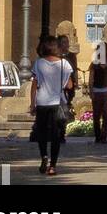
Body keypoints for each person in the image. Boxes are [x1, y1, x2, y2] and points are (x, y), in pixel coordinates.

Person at [30, 36, 73, 176]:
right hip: (57, 102)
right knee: (56, 135)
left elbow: (34, 85)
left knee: (41, 133)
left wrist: (32, 103)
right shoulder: (64, 64)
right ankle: (53, 166)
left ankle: (44, 156)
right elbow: (70, 85)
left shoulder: (39, 63)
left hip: (42, 102)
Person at [87, 42, 107, 145]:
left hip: (103, 91)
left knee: (99, 116)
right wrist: (91, 90)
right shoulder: (104, 62)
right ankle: (101, 137)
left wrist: (91, 90)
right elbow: (91, 79)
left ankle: (100, 136)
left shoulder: (96, 63)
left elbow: (90, 79)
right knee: (104, 116)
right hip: (103, 91)